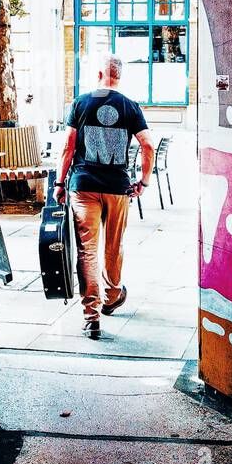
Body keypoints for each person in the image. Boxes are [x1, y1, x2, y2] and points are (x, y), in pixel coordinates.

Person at [54, 54, 155, 340]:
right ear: (119, 76)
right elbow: (148, 146)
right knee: (114, 245)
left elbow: (68, 147)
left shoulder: (81, 103)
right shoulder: (130, 106)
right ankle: (111, 296)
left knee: (87, 250)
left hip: (83, 185)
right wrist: (143, 182)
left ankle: (92, 317)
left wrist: (60, 183)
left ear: (99, 74)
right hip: (117, 188)